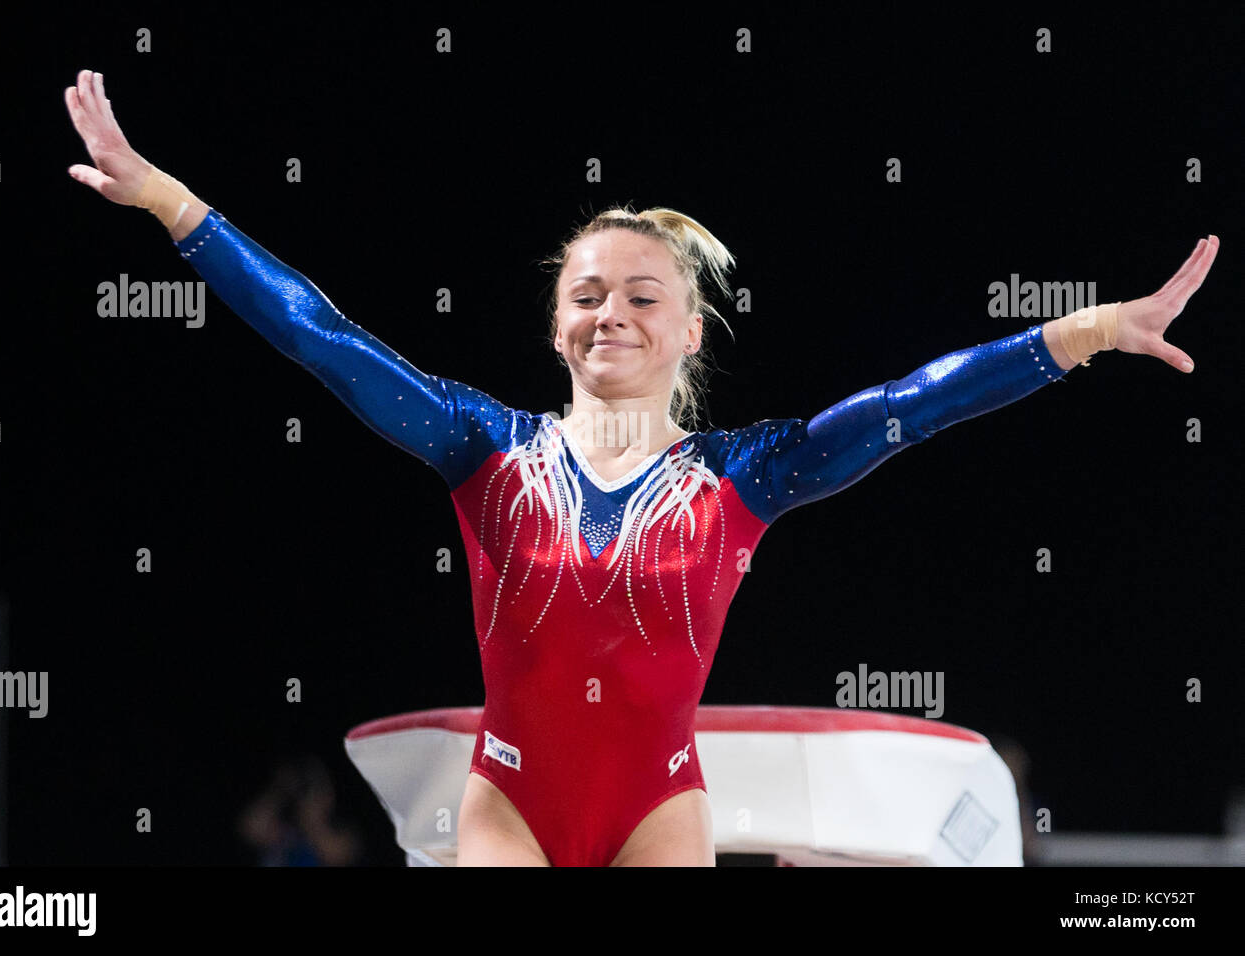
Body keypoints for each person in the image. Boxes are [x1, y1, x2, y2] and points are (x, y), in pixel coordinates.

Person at [64, 69, 1219, 867]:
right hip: (508, 797)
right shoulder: (485, 447)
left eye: (640, 294)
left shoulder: (743, 476)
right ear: (555, 327)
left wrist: (1083, 332)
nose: (609, 310)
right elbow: (328, 339)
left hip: (658, 803)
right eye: (585, 294)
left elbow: (910, 405)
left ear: (689, 333)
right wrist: (170, 201)